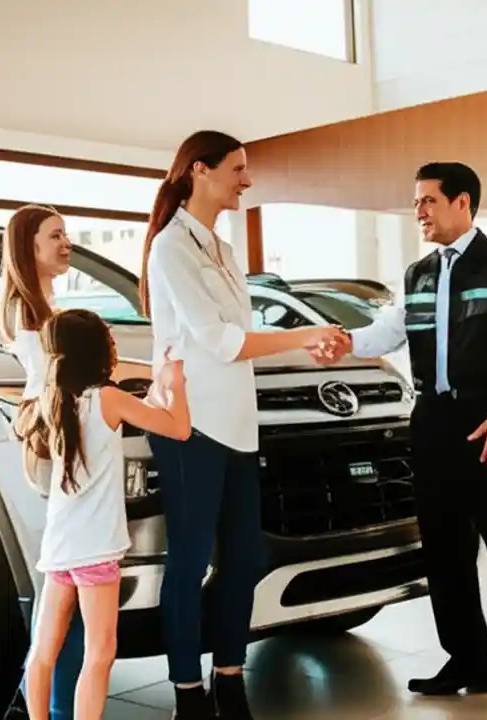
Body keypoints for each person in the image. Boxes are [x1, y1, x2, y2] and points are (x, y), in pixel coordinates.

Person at [140, 130, 347, 720]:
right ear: (199, 171)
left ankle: (229, 679)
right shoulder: (170, 247)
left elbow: (241, 340)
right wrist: (304, 335)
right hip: (191, 425)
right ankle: (188, 695)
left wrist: (308, 346)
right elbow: (220, 340)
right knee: (189, 564)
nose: (247, 180)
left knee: (245, 559)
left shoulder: (223, 249)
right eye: (237, 169)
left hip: (237, 424)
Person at [323, 162, 487, 718]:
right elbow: (390, 330)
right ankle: (466, 660)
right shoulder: (418, 273)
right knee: (444, 551)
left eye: (429, 201)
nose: (419, 211)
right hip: (433, 423)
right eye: (416, 201)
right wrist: (344, 342)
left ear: (463, 202)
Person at [23, 308, 192, 720]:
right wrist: (177, 384)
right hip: (96, 549)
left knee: (43, 651)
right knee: (99, 654)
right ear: (98, 352)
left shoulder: (52, 399)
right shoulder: (108, 399)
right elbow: (179, 429)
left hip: (59, 547)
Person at [0, 204, 85, 720]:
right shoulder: (27, 312)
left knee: (66, 582)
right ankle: (47, 708)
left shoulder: (45, 305)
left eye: (66, 234)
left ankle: (40, 703)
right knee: (65, 583)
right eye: (55, 236)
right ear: (28, 247)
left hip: (58, 441)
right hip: (52, 444)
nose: (65, 243)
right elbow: (56, 377)